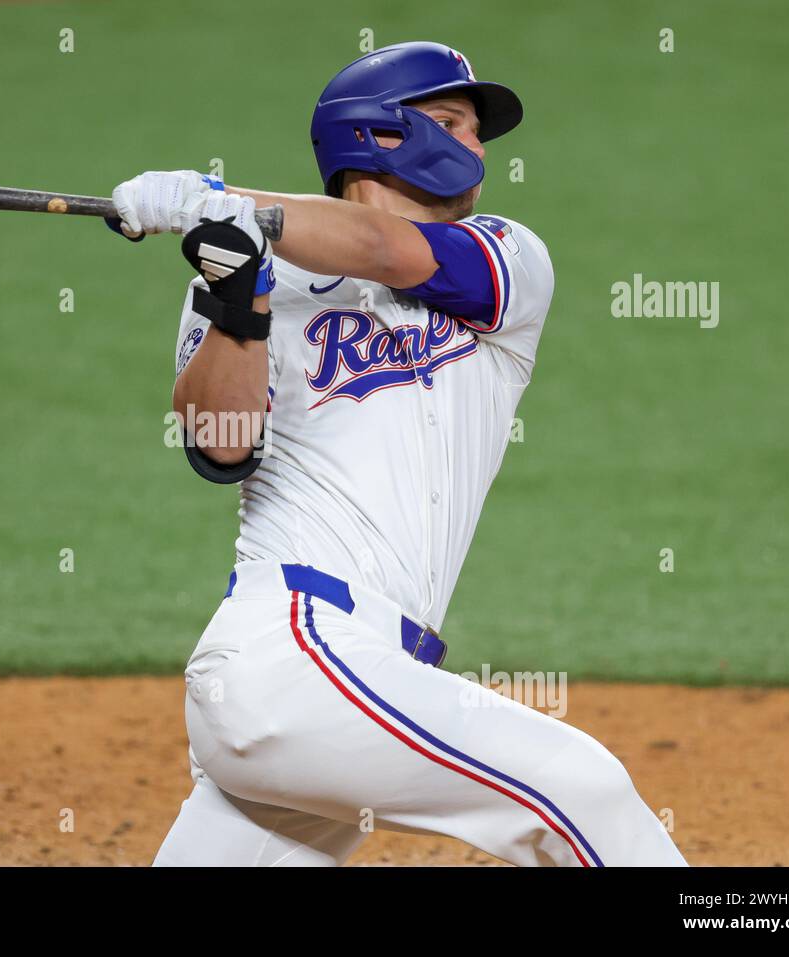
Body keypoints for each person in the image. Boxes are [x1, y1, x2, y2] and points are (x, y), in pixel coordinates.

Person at [109, 41, 686, 866]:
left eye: (477, 132)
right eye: (451, 122)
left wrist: (226, 201)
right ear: (375, 136)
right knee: (575, 782)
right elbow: (220, 445)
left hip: (359, 683)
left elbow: (383, 250)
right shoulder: (252, 275)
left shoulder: (509, 258)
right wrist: (238, 300)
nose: (476, 148)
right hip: (291, 651)